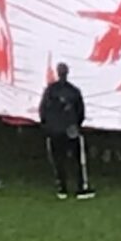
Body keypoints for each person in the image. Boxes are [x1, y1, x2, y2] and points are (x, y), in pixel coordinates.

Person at [40, 62, 90, 199]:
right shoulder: (74, 91)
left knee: (58, 159)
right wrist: (76, 124)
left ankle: (62, 188)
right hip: (71, 129)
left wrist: (48, 125)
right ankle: (80, 187)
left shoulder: (50, 91)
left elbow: (43, 110)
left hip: (55, 130)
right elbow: (81, 111)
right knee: (77, 159)